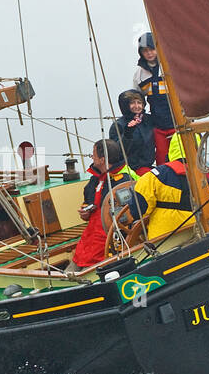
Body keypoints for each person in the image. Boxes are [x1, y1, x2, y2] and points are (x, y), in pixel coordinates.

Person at [70, 139, 134, 270]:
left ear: (102, 159)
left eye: (94, 154)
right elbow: (87, 203)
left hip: (108, 242)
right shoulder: (94, 180)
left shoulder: (123, 181)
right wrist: (85, 212)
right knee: (71, 272)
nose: (92, 157)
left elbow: (127, 217)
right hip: (89, 241)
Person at [133, 32, 174, 164]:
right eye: (145, 51)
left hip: (177, 122)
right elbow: (136, 97)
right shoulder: (139, 74)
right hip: (158, 124)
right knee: (162, 158)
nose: (149, 53)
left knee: (181, 156)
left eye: (152, 49)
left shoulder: (170, 66)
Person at [107, 89, 155, 175]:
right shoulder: (118, 125)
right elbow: (117, 153)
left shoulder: (149, 120)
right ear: (125, 105)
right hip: (127, 170)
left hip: (146, 167)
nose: (137, 106)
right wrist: (127, 134)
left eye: (139, 102)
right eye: (132, 103)